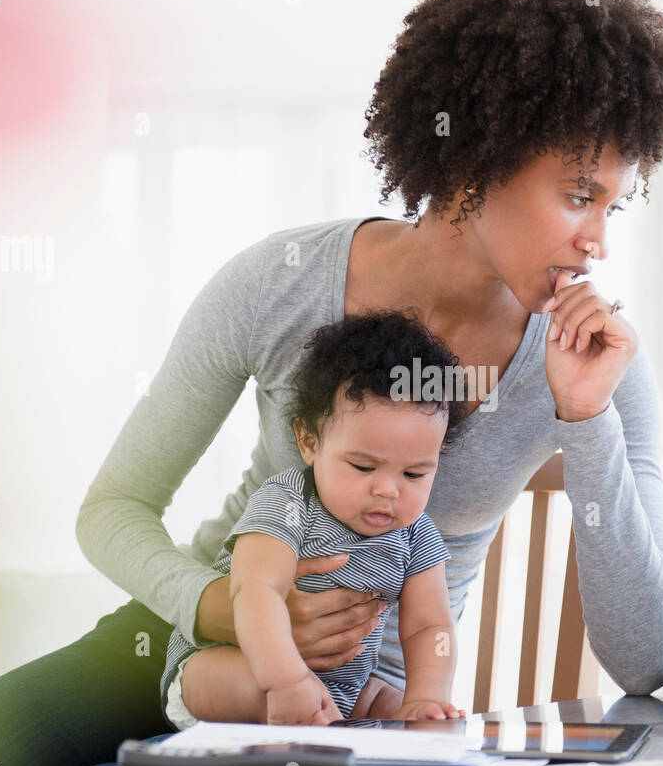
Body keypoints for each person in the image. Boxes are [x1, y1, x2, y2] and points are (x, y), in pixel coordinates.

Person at [0, 0, 663, 766]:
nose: (599, 240)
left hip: (367, 722)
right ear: (476, 158)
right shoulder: (278, 281)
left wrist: (586, 416)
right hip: (184, 654)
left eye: (614, 204)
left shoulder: (595, 364)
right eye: (579, 196)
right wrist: (226, 609)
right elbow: (112, 509)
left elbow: (649, 657)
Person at [163, 311, 468, 727]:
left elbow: (429, 625)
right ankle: (291, 707)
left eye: (414, 473)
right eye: (363, 467)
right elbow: (255, 592)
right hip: (228, 667)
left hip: (344, 689)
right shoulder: (289, 501)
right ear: (309, 442)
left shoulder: (415, 534)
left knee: (402, 712)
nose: (388, 490)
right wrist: (288, 681)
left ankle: (336, 730)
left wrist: (426, 696)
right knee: (257, 688)